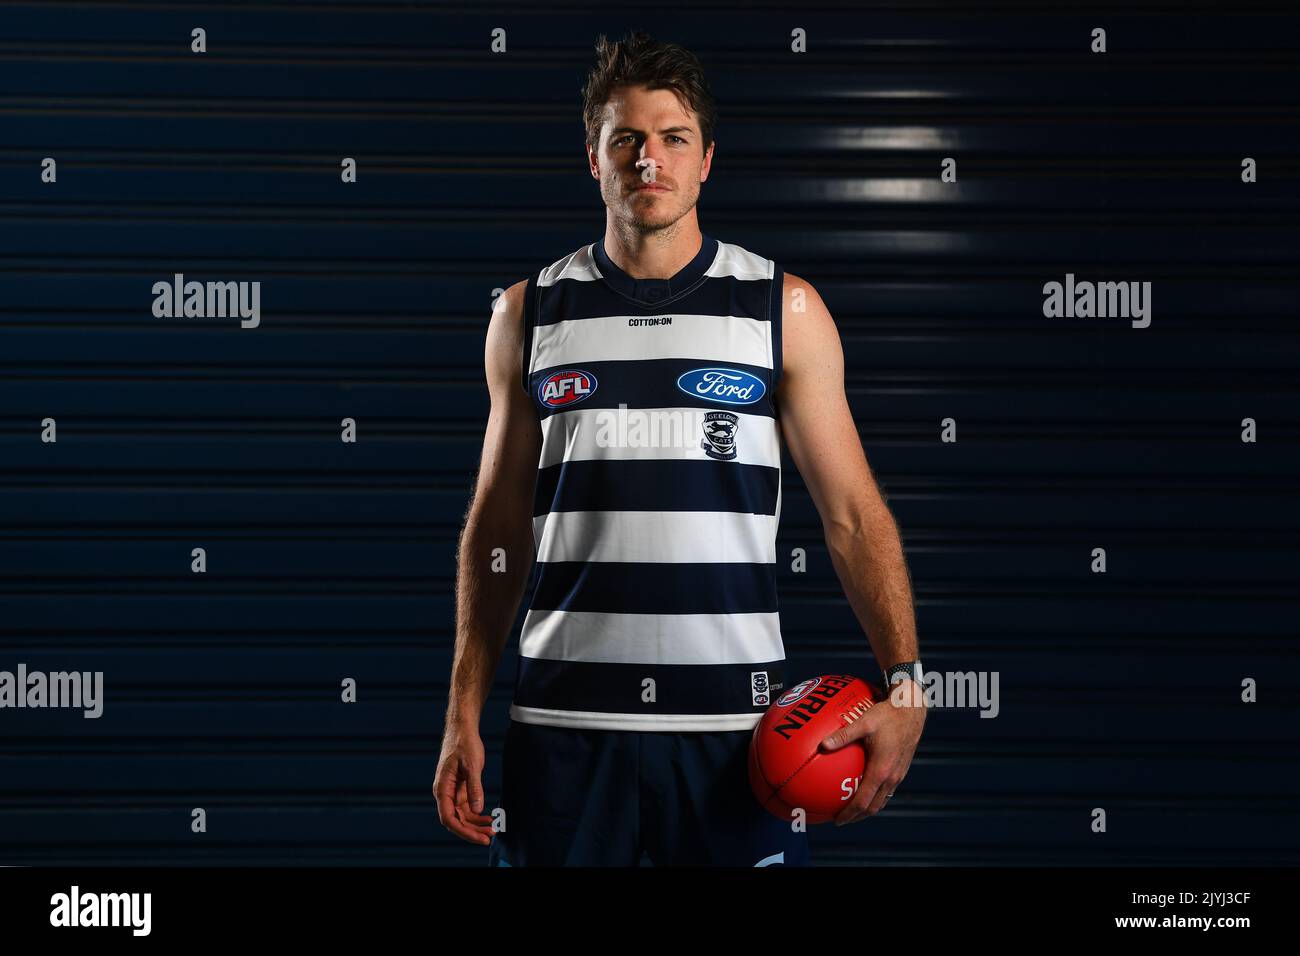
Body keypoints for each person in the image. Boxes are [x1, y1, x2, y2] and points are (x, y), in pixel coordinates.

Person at [434, 30, 926, 866]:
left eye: (673, 138)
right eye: (624, 139)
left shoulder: (785, 309)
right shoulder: (527, 314)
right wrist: (461, 712)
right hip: (563, 735)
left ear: (706, 161)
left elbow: (852, 515)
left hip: (735, 741)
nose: (648, 159)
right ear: (594, 160)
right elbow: (498, 525)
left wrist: (909, 687)